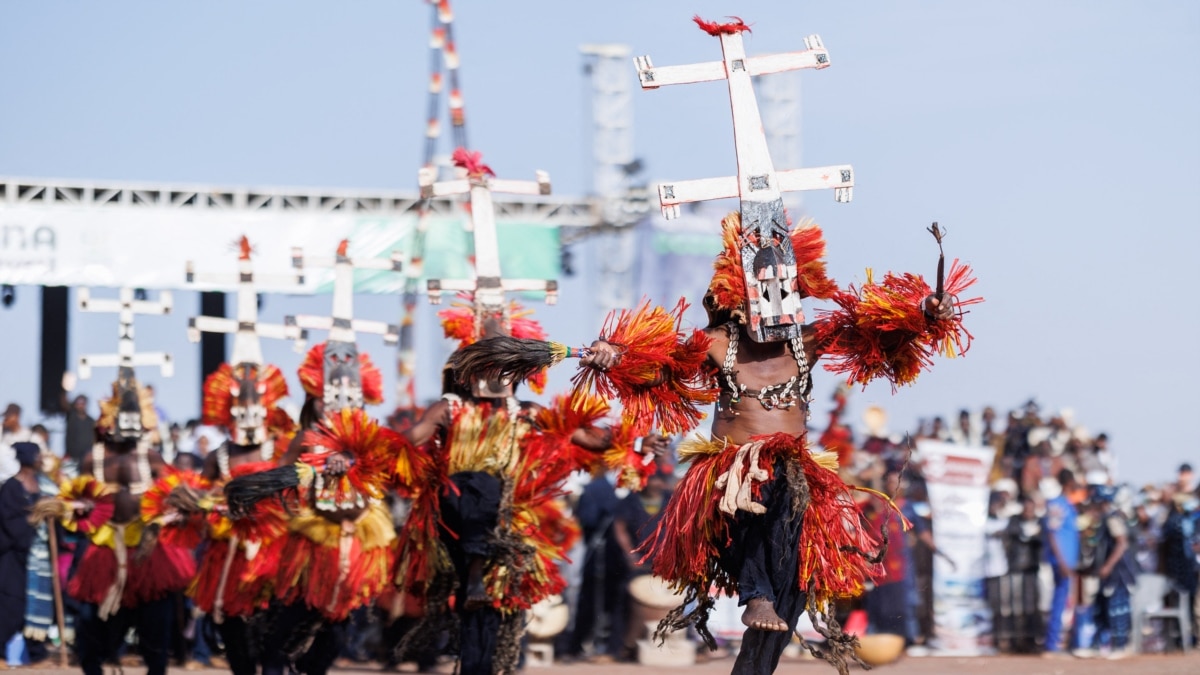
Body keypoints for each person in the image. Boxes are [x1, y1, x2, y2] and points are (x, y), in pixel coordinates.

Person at [59, 367, 196, 675]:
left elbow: (175, 490)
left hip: (147, 550)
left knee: (155, 626)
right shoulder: (93, 458)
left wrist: (181, 508)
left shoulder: (150, 457)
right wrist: (77, 507)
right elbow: (77, 495)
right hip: (105, 549)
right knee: (91, 624)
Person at [0, 443, 41, 659]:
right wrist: (31, 518)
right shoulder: (11, 487)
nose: (41, 459)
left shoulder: (40, 483)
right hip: (12, 555)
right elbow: (8, 522)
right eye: (38, 455)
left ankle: (36, 650)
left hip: (37, 557)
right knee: (11, 603)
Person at [1043, 468, 1079, 654]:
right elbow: (1052, 534)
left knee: (1063, 601)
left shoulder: (1068, 504)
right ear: (1069, 482)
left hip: (1068, 561)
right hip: (1061, 562)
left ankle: (1056, 642)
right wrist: (1062, 561)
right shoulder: (1057, 505)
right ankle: (1052, 644)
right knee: (1058, 601)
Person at [1, 403, 32, 482]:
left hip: (21, 479)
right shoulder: (3, 434)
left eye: (8, 416)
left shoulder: (28, 435)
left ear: (17, 416)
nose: (5, 418)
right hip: (4, 477)